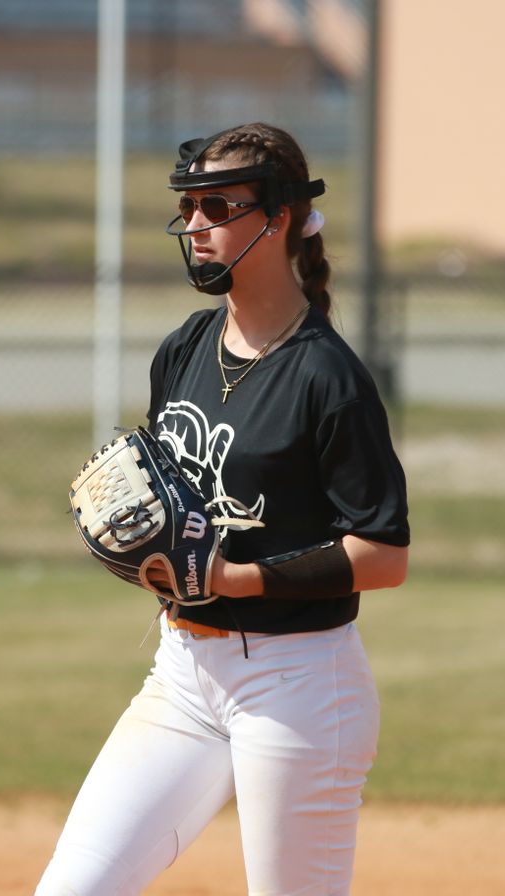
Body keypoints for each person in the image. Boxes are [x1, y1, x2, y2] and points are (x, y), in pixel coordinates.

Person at [35, 122, 410, 895]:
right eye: (190, 207)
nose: (195, 226)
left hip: (298, 686)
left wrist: (240, 578)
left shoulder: (326, 376)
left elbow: (384, 553)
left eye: (216, 207)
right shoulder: (185, 348)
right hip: (181, 674)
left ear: (275, 219)